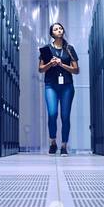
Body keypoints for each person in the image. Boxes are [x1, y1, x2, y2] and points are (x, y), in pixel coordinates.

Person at [38, 22, 79, 155]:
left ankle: (64, 145)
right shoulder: (46, 50)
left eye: (60, 28)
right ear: (52, 34)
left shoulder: (69, 49)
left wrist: (61, 64)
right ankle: (53, 142)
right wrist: (50, 63)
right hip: (51, 85)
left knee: (65, 116)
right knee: (52, 114)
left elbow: (76, 70)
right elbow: (40, 69)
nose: (59, 30)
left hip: (67, 86)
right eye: (56, 29)